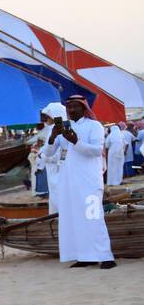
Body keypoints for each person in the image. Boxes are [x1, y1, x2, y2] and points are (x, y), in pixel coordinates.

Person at [47, 96, 115, 269]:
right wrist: (53, 136)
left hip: (88, 182)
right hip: (68, 183)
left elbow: (96, 151)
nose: (71, 110)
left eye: (75, 106)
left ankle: (106, 257)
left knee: (93, 217)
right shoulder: (62, 128)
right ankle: (85, 256)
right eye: (69, 107)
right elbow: (48, 153)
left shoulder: (95, 126)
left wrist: (76, 141)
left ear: (84, 108)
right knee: (74, 219)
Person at [38, 103, 68, 215]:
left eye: (47, 116)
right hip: (55, 169)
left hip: (57, 169)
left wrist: (43, 156)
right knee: (55, 195)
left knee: (58, 196)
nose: (46, 119)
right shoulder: (55, 129)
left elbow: (60, 152)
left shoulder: (55, 130)